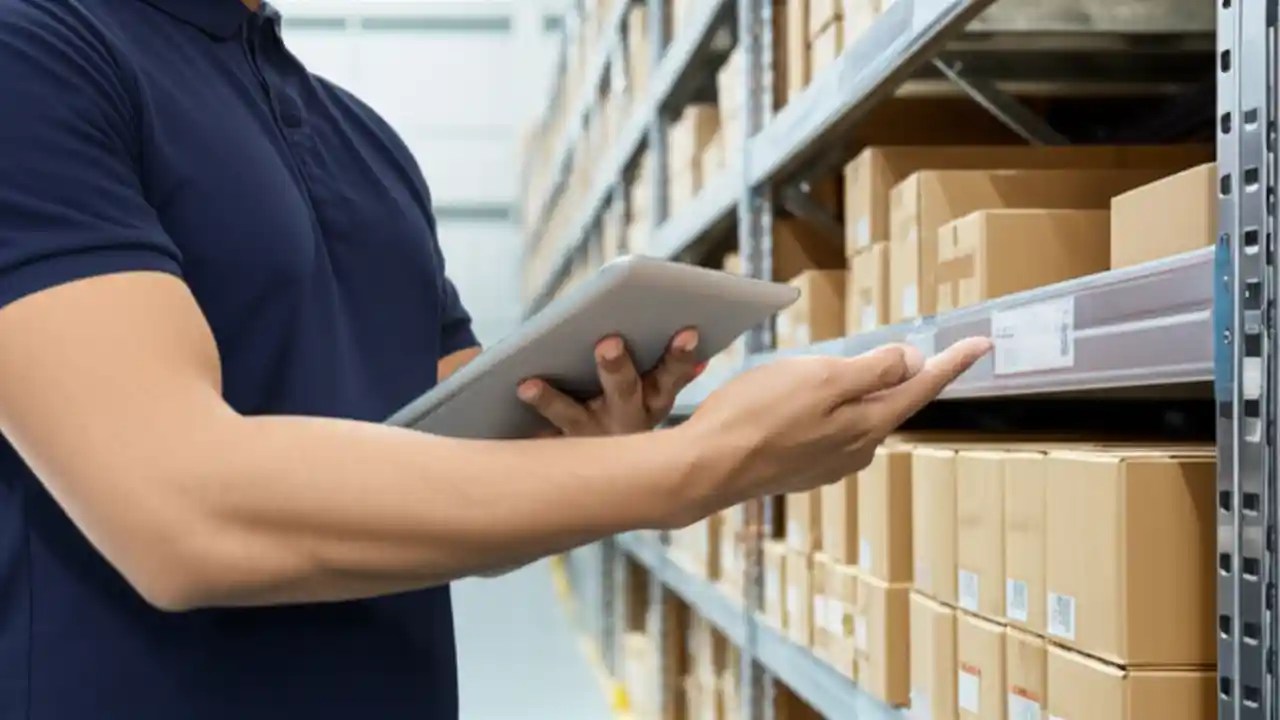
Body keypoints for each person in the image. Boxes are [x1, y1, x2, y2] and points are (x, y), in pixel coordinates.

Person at [0, 0, 990, 718]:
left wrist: (593, 451)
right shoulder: (32, 52)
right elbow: (176, 514)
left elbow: (465, 484)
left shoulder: (369, 146)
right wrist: (694, 466)